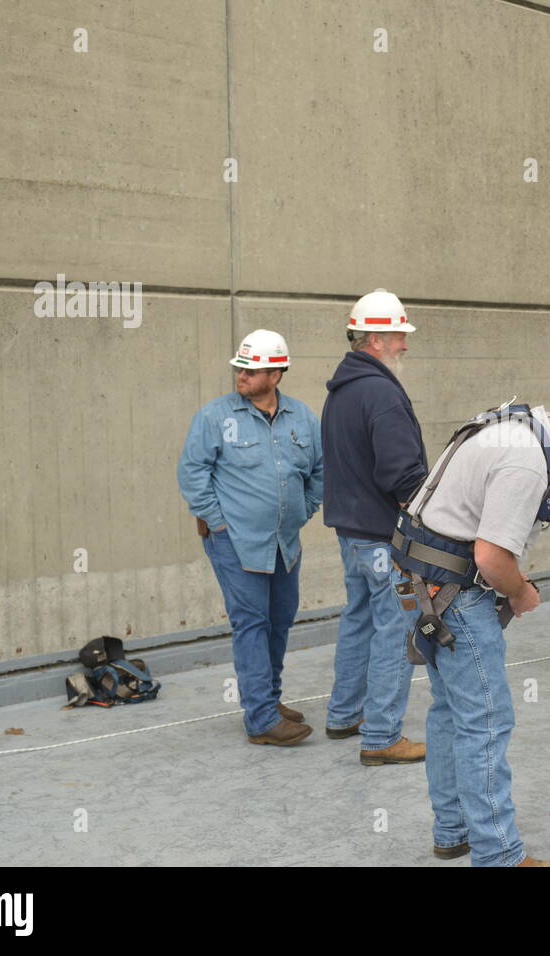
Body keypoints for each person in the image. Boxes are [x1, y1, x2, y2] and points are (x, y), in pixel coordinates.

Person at [393, 396, 550, 865]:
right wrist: (520, 592)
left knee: (451, 712)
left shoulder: (513, 423)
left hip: (420, 584)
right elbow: (491, 558)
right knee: (486, 722)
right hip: (453, 597)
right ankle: (499, 855)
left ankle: (453, 830)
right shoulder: (528, 460)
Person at [177, 329, 323, 746]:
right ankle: (260, 719)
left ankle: (269, 700)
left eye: (251, 368)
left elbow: (320, 472)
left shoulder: (303, 418)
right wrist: (217, 522)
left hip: (284, 543)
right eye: (239, 367)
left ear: (276, 374)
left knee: (279, 620)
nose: (241, 375)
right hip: (235, 542)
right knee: (252, 623)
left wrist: (304, 511)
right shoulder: (214, 416)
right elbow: (192, 472)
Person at [322, 289, 430, 766]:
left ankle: (345, 713)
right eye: (399, 336)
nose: (404, 345)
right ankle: (382, 735)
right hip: (383, 534)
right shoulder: (382, 393)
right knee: (395, 627)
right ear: (378, 337)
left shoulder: (342, 390)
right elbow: (401, 474)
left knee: (359, 618)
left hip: (351, 531)